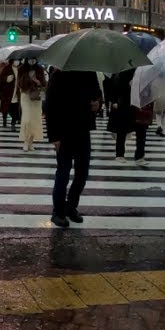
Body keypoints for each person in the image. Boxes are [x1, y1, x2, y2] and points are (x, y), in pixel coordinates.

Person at [46, 67, 102, 228]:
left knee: (82, 172)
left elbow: (98, 94)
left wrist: (97, 103)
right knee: (63, 172)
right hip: (63, 131)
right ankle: (58, 212)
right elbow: (50, 106)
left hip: (83, 129)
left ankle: (71, 206)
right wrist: (54, 136)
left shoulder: (89, 72)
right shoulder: (58, 75)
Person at [105, 68, 149, 166]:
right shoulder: (121, 71)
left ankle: (140, 156)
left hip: (138, 106)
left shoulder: (142, 71)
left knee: (141, 132)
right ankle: (120, 154)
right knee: (122, 131)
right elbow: (113, 87)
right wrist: (114, 100)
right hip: (124, 105)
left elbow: (147, 88)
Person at [17, 59, 47, 152]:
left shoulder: (40, 69)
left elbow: (44, 84)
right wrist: (28, 79)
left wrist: (38, 82)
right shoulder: (21, 68)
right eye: (30, 58)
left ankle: (30, 142)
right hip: (25, 95)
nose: (32, 60)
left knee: (35, 119)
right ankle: (26, 142)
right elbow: (19, 84)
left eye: (34, 58)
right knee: (27, 119)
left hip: (36, 97)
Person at [0, 60, 17, 130]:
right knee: (5, 108)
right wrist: (6, 79)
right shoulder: (7, 68)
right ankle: (4, 120)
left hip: (16, 92)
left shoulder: (20, 68)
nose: (17, 62)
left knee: (15, 108)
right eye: (15, 60)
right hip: (7, 92)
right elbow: (1, 78)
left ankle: (13, 123)